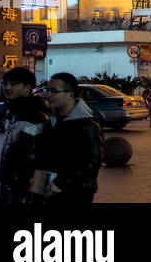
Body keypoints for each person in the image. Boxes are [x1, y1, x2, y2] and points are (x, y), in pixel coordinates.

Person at [34, 73, 105, 204]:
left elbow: (92, 162)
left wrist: (60, 184)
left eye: (54, 91)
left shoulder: (87, 125)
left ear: (70, 95)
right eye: (48, 90)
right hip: (47, 192)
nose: (49, 95)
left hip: (75, 193)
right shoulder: (50, 121)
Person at [0, 66, 49, 203]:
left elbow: (43, 158)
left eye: (13, 84)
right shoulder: (12, 112)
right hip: (10, 183)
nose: (7, 88)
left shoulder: (35, 116)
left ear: (27, 87)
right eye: (5, 83)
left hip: (25, 189)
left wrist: (36, 193)